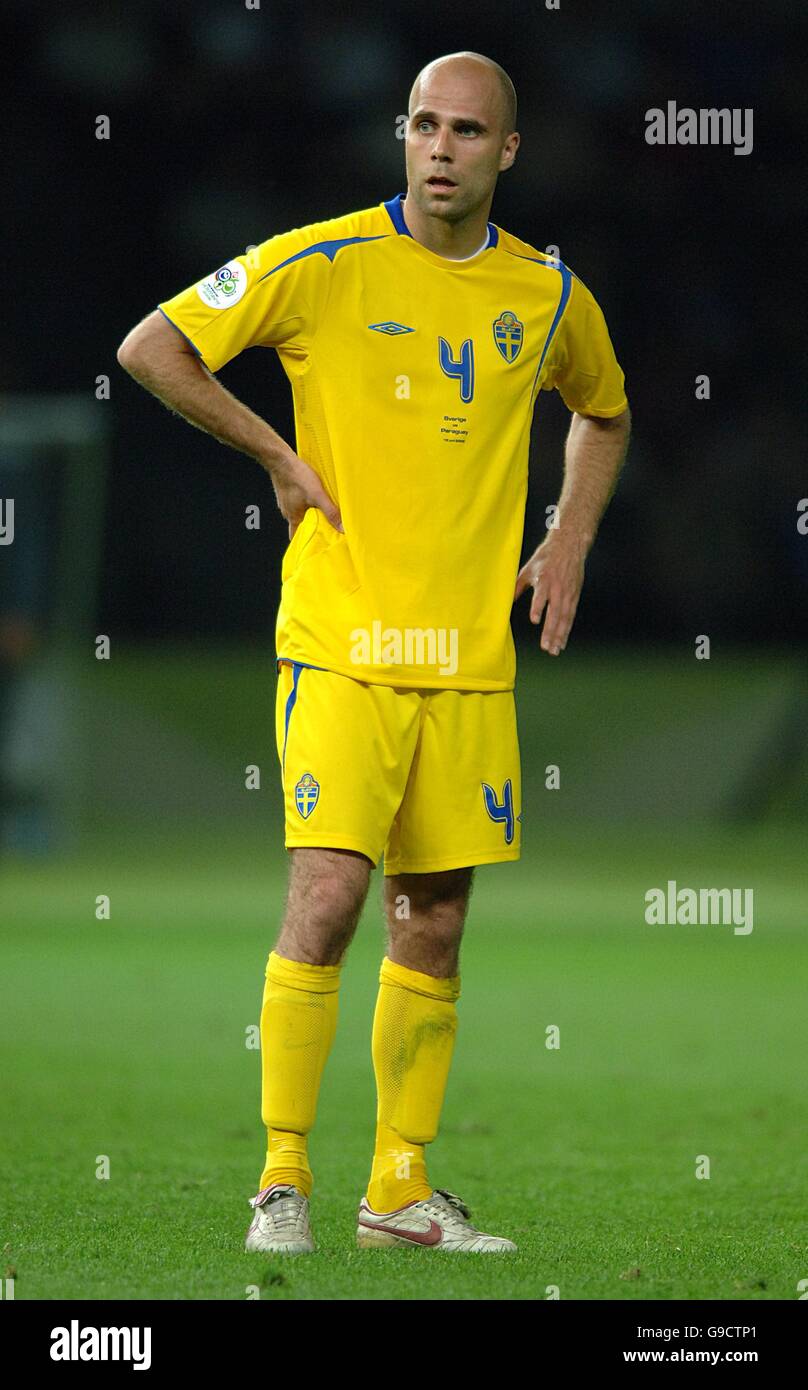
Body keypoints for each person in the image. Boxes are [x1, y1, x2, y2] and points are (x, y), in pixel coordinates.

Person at [117, 49, 631, 1256]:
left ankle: (398, 1189)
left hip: (465, 662)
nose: (440, 148)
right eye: (422, 125)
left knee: (434, 923)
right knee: (330, 891)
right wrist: (275, 456)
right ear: (402, 135)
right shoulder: (323, 261)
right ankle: (280, 1180)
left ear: (508, 152)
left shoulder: (547, 294)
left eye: (466, 131)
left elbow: (603, 410)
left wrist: (565, 542)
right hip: (341, 640)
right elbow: (154, 345)